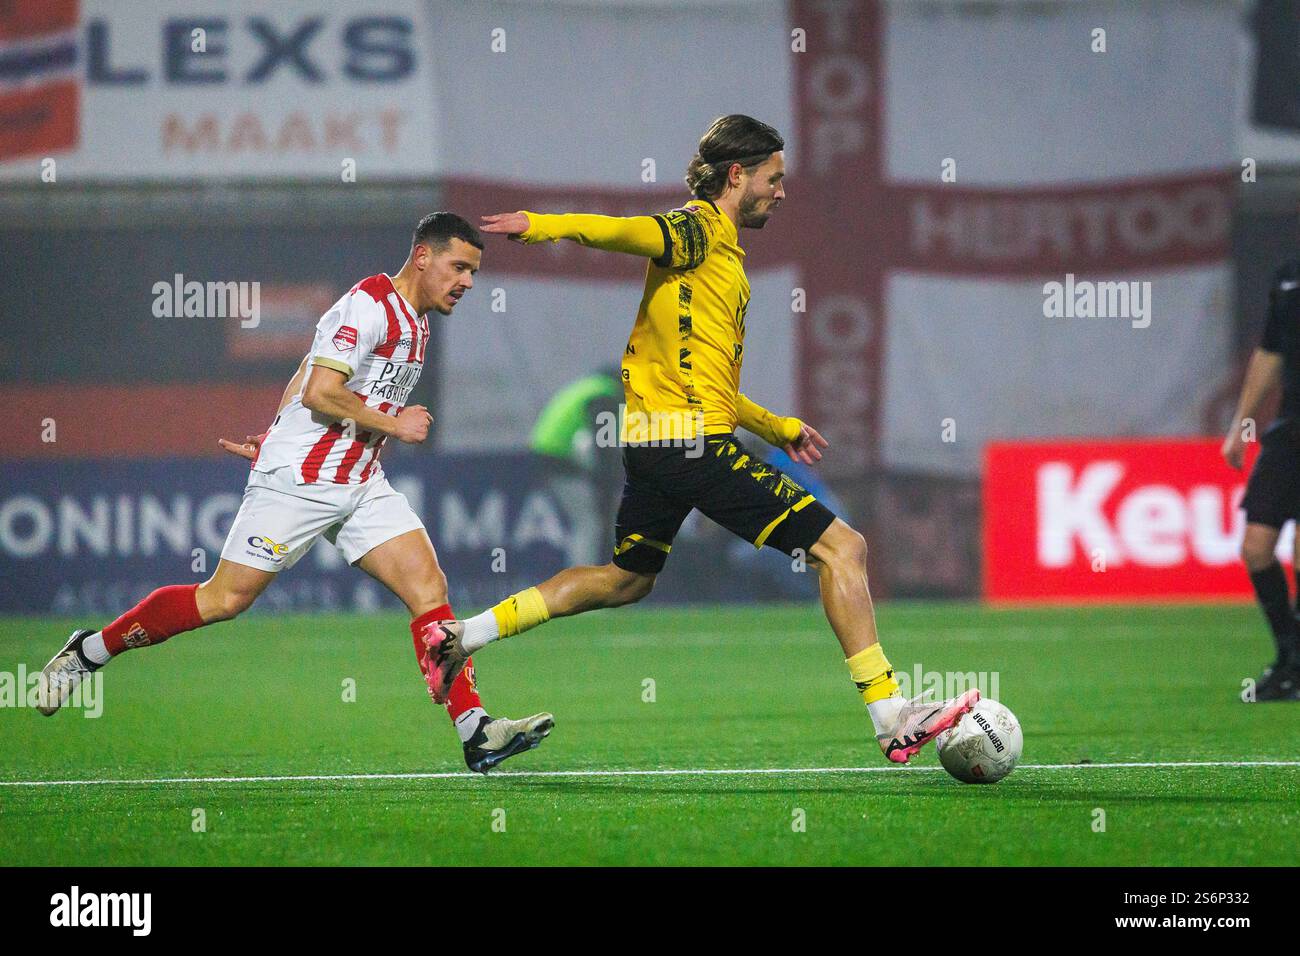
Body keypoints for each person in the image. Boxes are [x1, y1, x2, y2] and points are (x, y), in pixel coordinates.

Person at [418, 115, 978, 763]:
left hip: (658, 442)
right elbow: (632, 231)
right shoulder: (698, 226)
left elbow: (709, 382)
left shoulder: (716, 257)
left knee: (627, 579)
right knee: (842, 547)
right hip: (692, 446)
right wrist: (545, 225)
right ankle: (891, 714)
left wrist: (778, 427)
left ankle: (460, 636)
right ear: (736, 175)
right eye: (775, 177)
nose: (783, 191)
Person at [37, 213, 555, 771]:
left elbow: (309, 369)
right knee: (224, 600)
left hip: (360, 481)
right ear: (423, 258)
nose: (467, 283)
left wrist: (274, 427)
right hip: (299, 482)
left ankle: (476, 731)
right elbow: (321, 391)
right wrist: (393, 424)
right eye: (459, 267)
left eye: (473, 273)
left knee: (430, 590)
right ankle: (89, 652)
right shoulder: (368, 305)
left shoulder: (419, 321)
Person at [1222, 258, 1300, 701]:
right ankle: (1291, 656)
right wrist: (1241, 425)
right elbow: (1271, 352)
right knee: (1256, 546)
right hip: (1290, 427)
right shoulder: (1287, 276)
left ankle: (1293, 668)